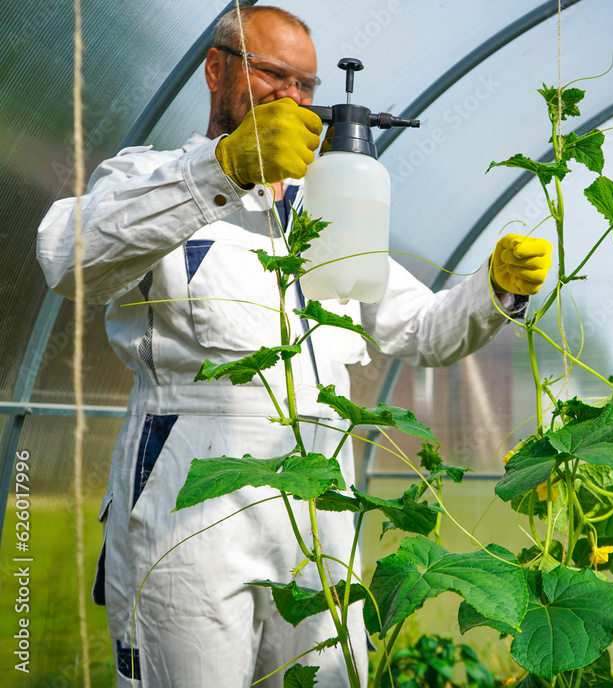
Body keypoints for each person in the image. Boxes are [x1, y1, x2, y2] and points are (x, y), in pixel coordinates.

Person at [36, 6, 551, 687]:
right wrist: (218, 172)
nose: (291, 96)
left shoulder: (329, 209)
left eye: (305, 84)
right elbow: (72, 258)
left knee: (328, 674)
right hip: (189, 487)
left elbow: (420, 328)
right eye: (272, 72)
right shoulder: (156, 177)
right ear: (216, 69)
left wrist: (495, 290)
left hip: (315, 488)